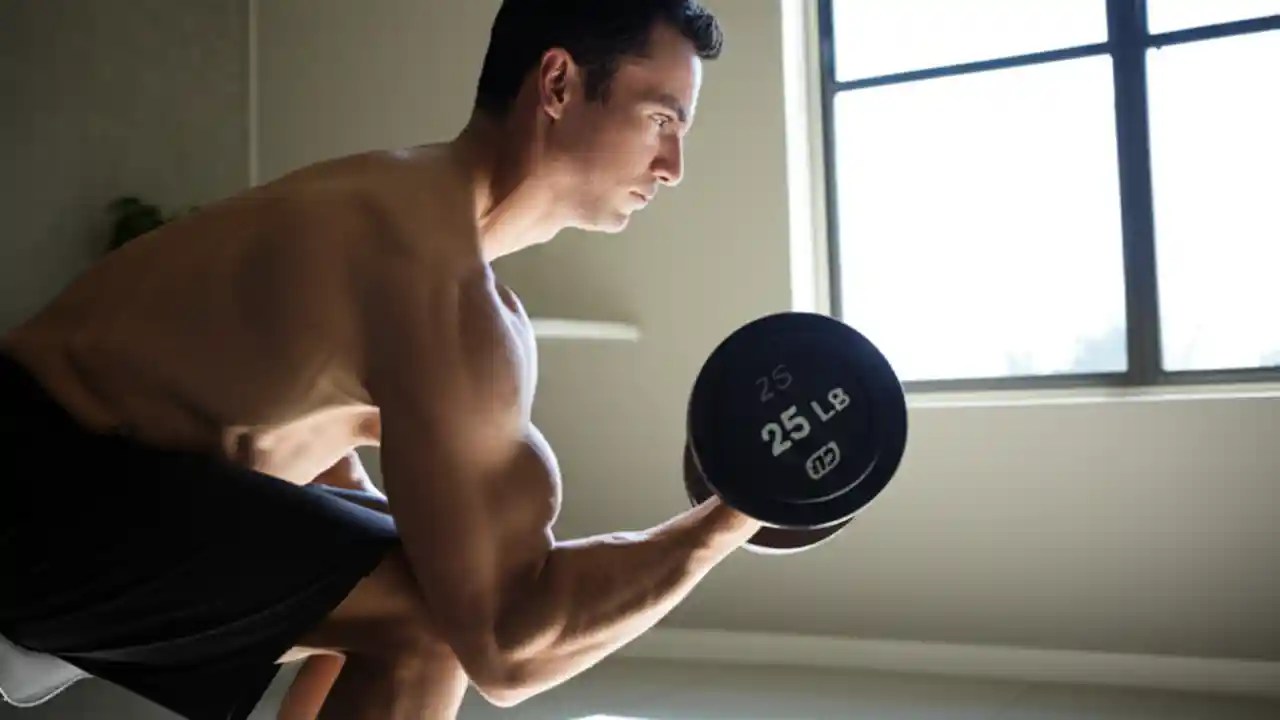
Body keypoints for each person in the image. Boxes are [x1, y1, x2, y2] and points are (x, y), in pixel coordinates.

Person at [0, 1, 761, 719]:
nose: (673, 165)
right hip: (40, 487)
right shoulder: (429, 277)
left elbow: (294, 442)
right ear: (558, 83)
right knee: (437, 618)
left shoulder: (396, 210)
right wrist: (731, 519)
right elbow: (506, 648)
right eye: (660, 118)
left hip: (84, 488)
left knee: (417, 570)